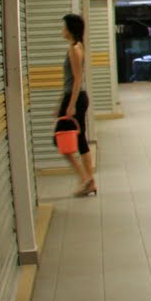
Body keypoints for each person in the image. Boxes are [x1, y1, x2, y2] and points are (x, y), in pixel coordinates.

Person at [60, 13, 97, 197]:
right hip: (73, 98)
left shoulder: (74, 49)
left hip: (75, 98)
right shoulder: (77, 46)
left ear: (70, 29)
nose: (62, 30)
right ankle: (87, 179)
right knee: (77, 139)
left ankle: (87, 179)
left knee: (68, 140)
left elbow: (77, 79)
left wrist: (71, 105)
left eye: (64, 26)